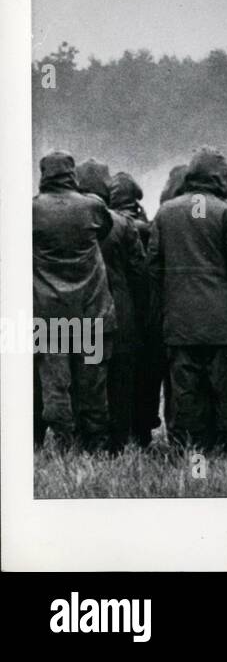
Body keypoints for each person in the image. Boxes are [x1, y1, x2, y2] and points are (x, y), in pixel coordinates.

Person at [148, 148, 227, 452]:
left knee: (187, 398)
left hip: (181, 324)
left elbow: (153, 267)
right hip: (224, 324)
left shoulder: (166, 212)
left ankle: (193, 458)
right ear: (217, 178)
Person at [33, 151, 115, 452]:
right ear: (72, 174)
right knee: (93, 384)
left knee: (55, 386)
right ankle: (95, 444)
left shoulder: (31, 210)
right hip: (92, 315)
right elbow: (105, 231)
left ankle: (64, 444)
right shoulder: (93, 206)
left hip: (48, 319)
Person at [76, 160, 147, 452]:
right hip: (122, 311)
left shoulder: (73, 220)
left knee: (88, 379)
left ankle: (89, 441)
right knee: (120, 381)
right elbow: (140, 274)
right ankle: (117, 442)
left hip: (84, 314)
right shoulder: (123, 224)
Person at [109, 171, 163, 446]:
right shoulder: (146, 227)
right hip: (144, 313)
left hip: (111, 311)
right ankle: (142, 430)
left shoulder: (106, 225)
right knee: (146, 375)